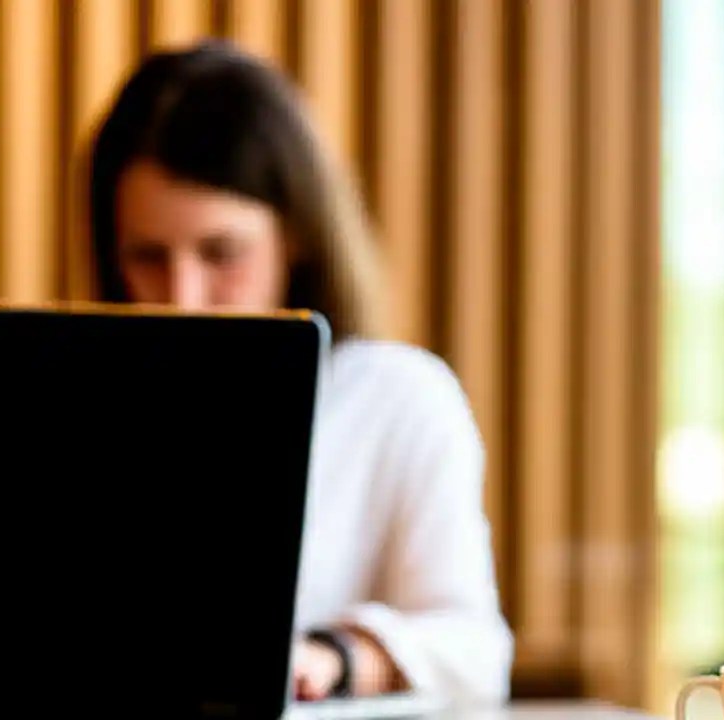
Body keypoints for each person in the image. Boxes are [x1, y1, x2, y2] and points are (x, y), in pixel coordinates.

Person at [85, 41, 513, 704]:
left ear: (296, 235)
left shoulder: (399, 400)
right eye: (148, 257)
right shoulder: (75, 399)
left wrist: (334, 657)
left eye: (220, 252)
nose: (183, 296)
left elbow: (473, 652)